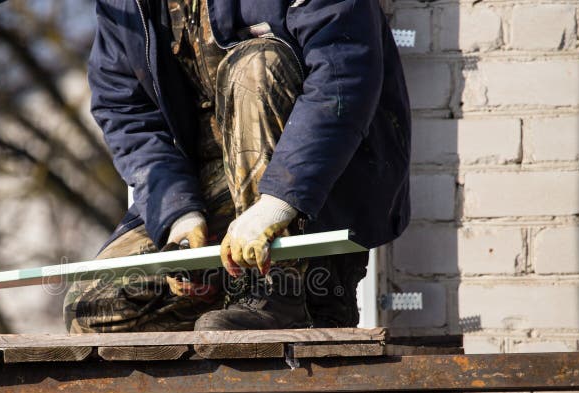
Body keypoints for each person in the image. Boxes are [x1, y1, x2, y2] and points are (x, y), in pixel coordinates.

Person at [64, 0, 411, 333]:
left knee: (255, 66)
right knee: (93, 308)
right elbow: (126, 112)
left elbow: (344, 74)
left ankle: (287, 287)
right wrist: (179, 218)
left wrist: (276, 206)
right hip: (215, 185)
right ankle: (247, 289)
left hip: (316, 186)